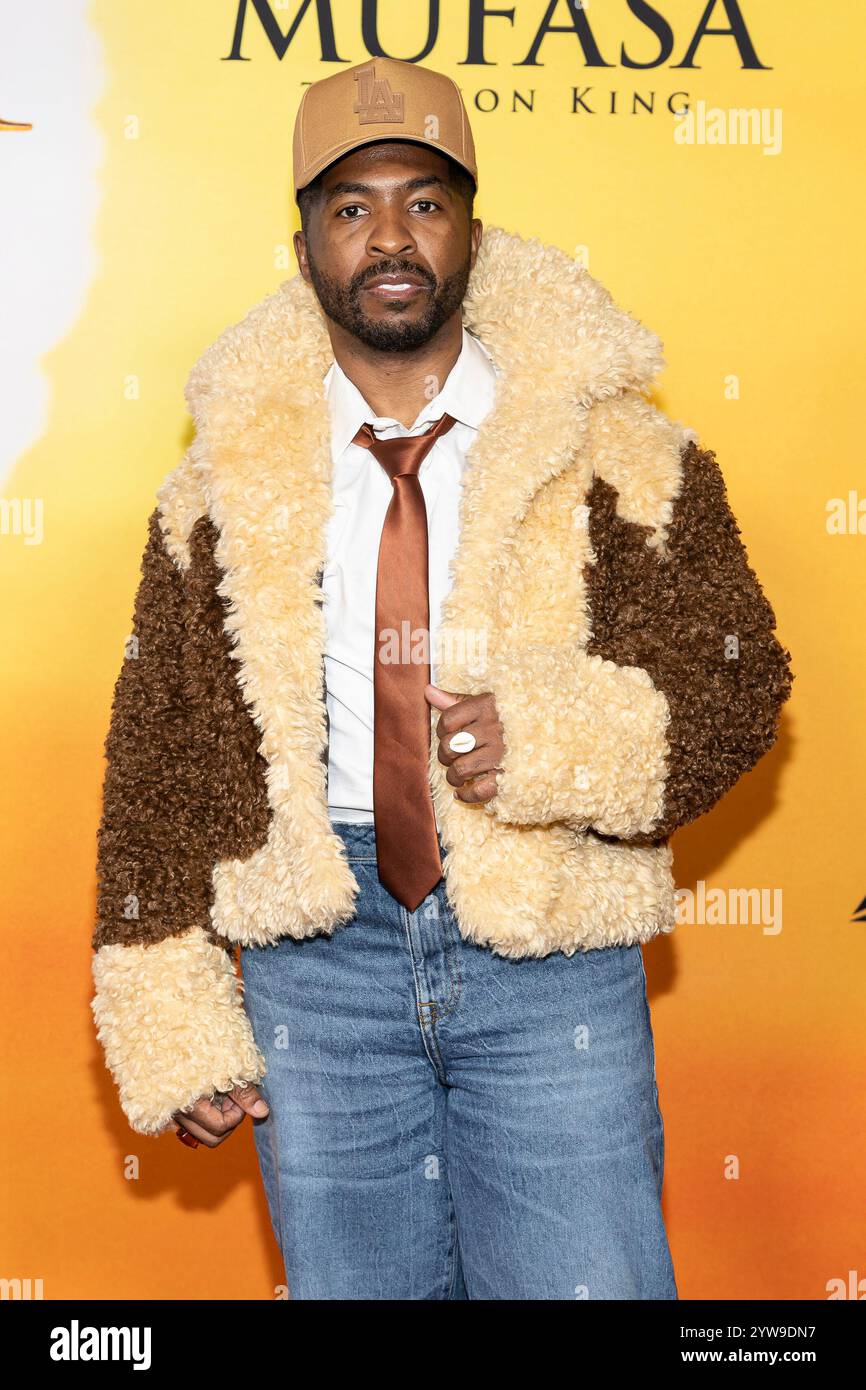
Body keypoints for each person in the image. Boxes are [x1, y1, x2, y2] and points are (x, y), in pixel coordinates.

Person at [91, 56, 794, 1300]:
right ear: (303, 242)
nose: (389, 237)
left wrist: (560, 739)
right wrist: (173, 1012)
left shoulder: (618, 447)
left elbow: (735, 676)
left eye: (423, 200)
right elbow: (159, 757)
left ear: (471, 225)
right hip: (318, 950)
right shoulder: (218, 489)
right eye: (349, 208)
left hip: (545, 936)